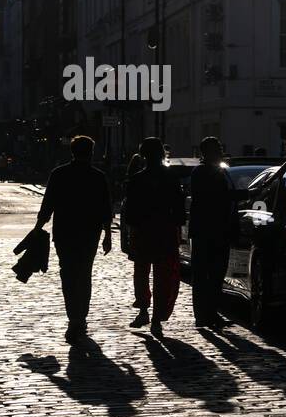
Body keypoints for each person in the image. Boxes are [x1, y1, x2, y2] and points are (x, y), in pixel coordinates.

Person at [33, 136, 113, 343]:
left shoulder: (59, 174)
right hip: (89, 234)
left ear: (72, 151)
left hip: (65, 233)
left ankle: (73, 318)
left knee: (68, 275)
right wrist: (107, 235)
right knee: (84, 274)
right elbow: (106, 209)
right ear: (91, 152)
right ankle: (81, 317)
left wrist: (37, 228)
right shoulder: (98, 176)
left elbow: (47, 205)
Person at [122, 138, 185, 336]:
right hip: (164, 230)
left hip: (143, 230)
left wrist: (130, 234)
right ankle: (157, 316)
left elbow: (129, 210)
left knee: (141, 272)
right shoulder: (171, 178)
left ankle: (144, 309)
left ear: (143, 155)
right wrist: (178, 227)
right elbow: (179, 208)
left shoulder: (136, 179)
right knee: (163, 275)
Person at [189, 137, 238, 329]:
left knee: (216, 274)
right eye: (217, 149)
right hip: (206, 230)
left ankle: (211, 313)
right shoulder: (202, 172)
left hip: (218, 230)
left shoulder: (219, 171)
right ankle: (203, 315)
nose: (220, 151)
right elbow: (215, 198)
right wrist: (244, 194)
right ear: (207, 152)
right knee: (204, 275)